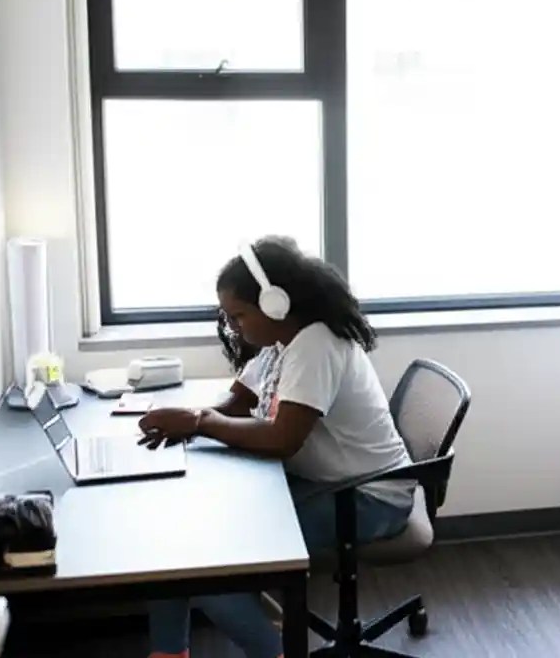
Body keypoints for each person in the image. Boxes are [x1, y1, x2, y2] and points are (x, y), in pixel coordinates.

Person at [136, 236, 415, 658]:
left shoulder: (317, 344)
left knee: (210, 568)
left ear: (274, 304)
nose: (234, 328)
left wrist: (199, 423)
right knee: (178, 537)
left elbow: (282, 439)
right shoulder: (281, 344)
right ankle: (169, 653)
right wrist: (190, 420)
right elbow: (236, 405)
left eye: (239, 316)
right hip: (323, 483)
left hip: (368, 497)